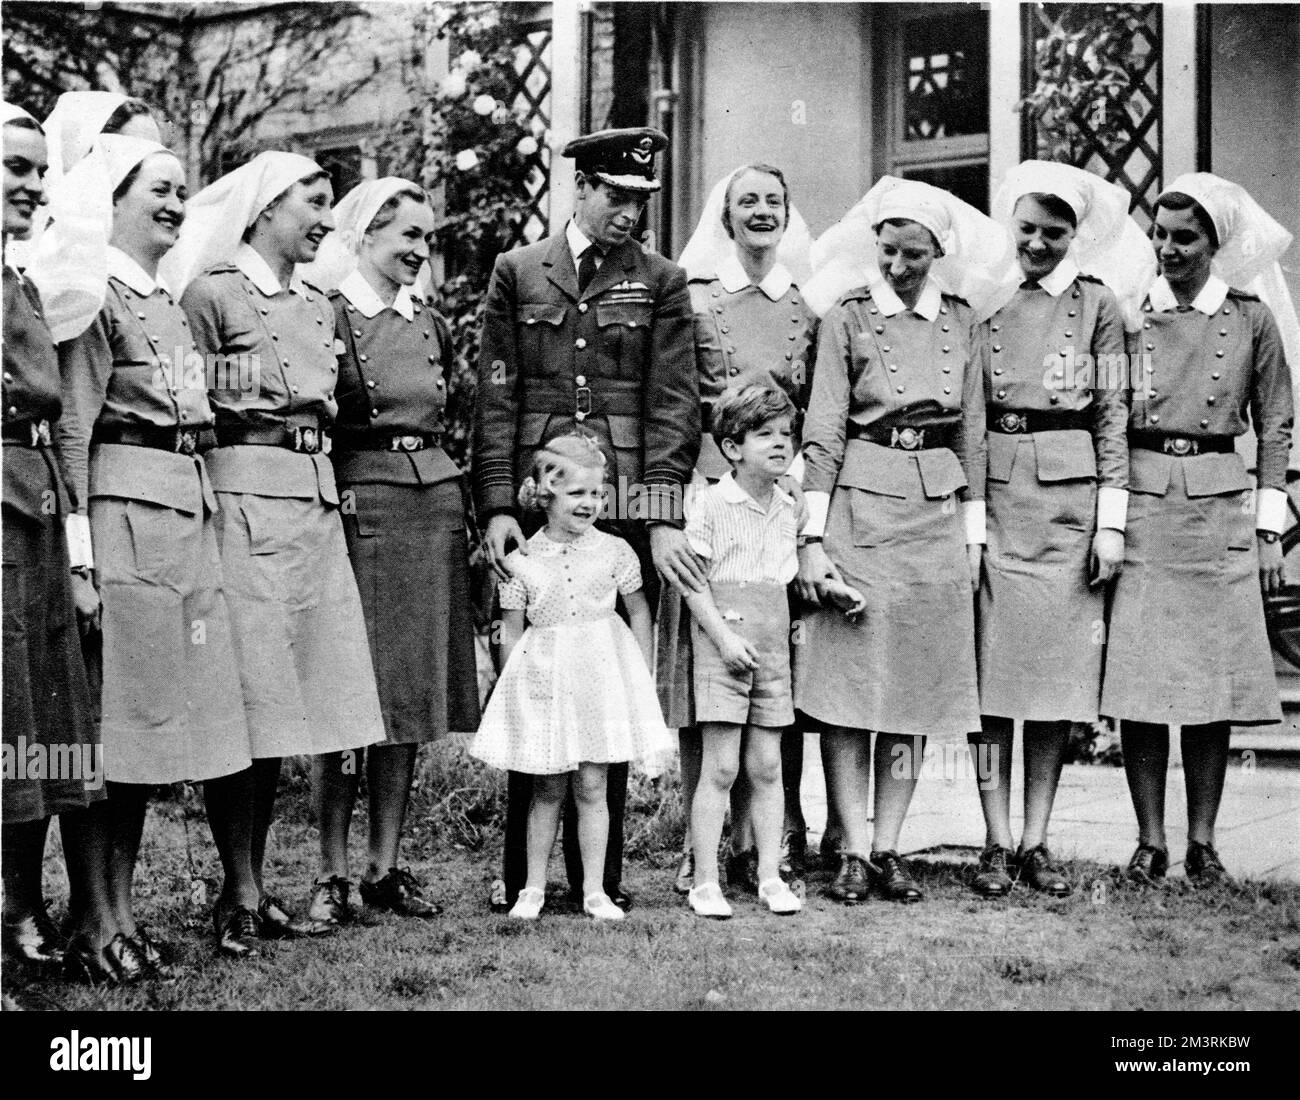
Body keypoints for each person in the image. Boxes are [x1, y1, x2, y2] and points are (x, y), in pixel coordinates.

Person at [162, 151, 386, 954]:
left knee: (308, 702)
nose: (327, 217)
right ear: (264, 210)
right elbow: (184, 407)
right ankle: (241, 891)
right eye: (312, 201)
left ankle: (256, 887)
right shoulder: (211, 294)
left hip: (314, 505)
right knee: (247, 701)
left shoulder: (320, 303)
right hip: (242, 504)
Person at [474, 126, 700, 911]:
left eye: (641, 200)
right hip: (538, 500)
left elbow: (674, 403)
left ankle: (600, 879)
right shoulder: (518, 272)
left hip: (623, 501)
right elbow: (495, 396)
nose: (629, 213)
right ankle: (523, 877)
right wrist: (497, 505)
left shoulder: (662, 281)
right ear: (581, 187)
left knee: (607, 681)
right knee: (533, 679)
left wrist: (661, 514)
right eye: (615, 195)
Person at [51, 134, 253, 976]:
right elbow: (72, 432)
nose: (176, 204)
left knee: (146, 735)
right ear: (112, 201)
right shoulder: (92, 296)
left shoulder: (163, 300)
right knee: (114, 735)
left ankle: (120, 917)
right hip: (122, 517)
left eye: (181, 190)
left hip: (182, 513)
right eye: (158, 190)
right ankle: (97, 924)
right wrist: (79, 562)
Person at [797, 176, 1011, 904]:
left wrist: (974, 533)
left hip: (935, 510)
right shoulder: (847, 316)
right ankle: (851, 850)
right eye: (887, 250)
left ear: (938, 252)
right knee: (850, 681)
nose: (896, 265)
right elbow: (824, 429)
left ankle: (888, 845)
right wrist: (812, 536)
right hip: (859, 502)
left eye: (913, 254)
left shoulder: (963, 320)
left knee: (913, 685)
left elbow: (974, 430)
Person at [1101, 174, 1296, 887]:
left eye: (1185, 238)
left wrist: (1269, 531)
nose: (1169, 249)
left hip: (1219, 506)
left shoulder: (1251, 319)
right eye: (1160, 235)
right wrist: (1110, 521)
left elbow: (1275, 426)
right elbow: (1107, 421)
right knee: (1142, 683)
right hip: (1145, 503)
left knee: (1212, 687)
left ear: (1215, 245)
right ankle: (1150, 841)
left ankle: (1204, 843)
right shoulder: (1127, 315)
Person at [969, 160, 1154, 898]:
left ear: (1075, 235)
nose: (1038, 244)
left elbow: (1113, 415)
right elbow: (968, 413)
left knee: (1051, 682)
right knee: (990, 683)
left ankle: (1036, 840)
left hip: (1068, 506)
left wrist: (1112, 524)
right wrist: (971, 520)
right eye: (1027, 229)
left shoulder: (1099, 305)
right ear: (1009, 227)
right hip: (995, 494)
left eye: (1054, 232)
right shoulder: (985, 296)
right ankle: (993, 839)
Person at [300, 177, 480, 921]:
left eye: (426, 238)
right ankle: (332, 870)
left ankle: (385, 865)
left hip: (431, 503)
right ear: (366, 233)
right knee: (351, 690)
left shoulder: (430, 323)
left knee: (408, 693)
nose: (418, 251)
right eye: (407, 234)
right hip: (361, 502)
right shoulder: (328, 313)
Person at [1, 101, 144, 984]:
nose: (33, 185)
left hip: (36, 511)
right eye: (13, 168)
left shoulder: (22, 281)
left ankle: (22, 904)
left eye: (37, 169)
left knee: (36, 722)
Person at [664, 163, 828, 896]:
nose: (762, 212)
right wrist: (668, 499)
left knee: (772, 673)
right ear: (725, 217)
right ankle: (698, 848)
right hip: (710, 491)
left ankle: (773, 839)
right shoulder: (695, 297)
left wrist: (802, 490)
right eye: (747, 202)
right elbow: (673, 403)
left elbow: (814, 411)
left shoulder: (806, 305)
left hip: (779, 497)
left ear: (788, 216)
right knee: (707, 682)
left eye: (774, 201)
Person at [469, 435, 670, 920]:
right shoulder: (521, 560)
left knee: (593, 786)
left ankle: (595, 890)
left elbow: (639, 612)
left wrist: (641, 674)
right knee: (546, 789)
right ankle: (532, 888)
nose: (590, 503)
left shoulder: (616, 551)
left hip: (600, 681)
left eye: (597, 493)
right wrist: (514, 688)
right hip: (546, 684)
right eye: (577, 492)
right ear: (544, 494)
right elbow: (510, 631)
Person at [683, 384, 860, 918]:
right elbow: (693, 584)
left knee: (766, 767)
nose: (781, 444)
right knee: (720, 768)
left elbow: (790, 577)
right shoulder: (711, 504)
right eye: (764, 435)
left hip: (771, 652)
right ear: (732, 448)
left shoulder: (790, 508)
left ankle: (769, 876)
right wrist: (723, 638)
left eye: (787, 434)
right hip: (724, 647)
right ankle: (705, 881)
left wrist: (835, 591)